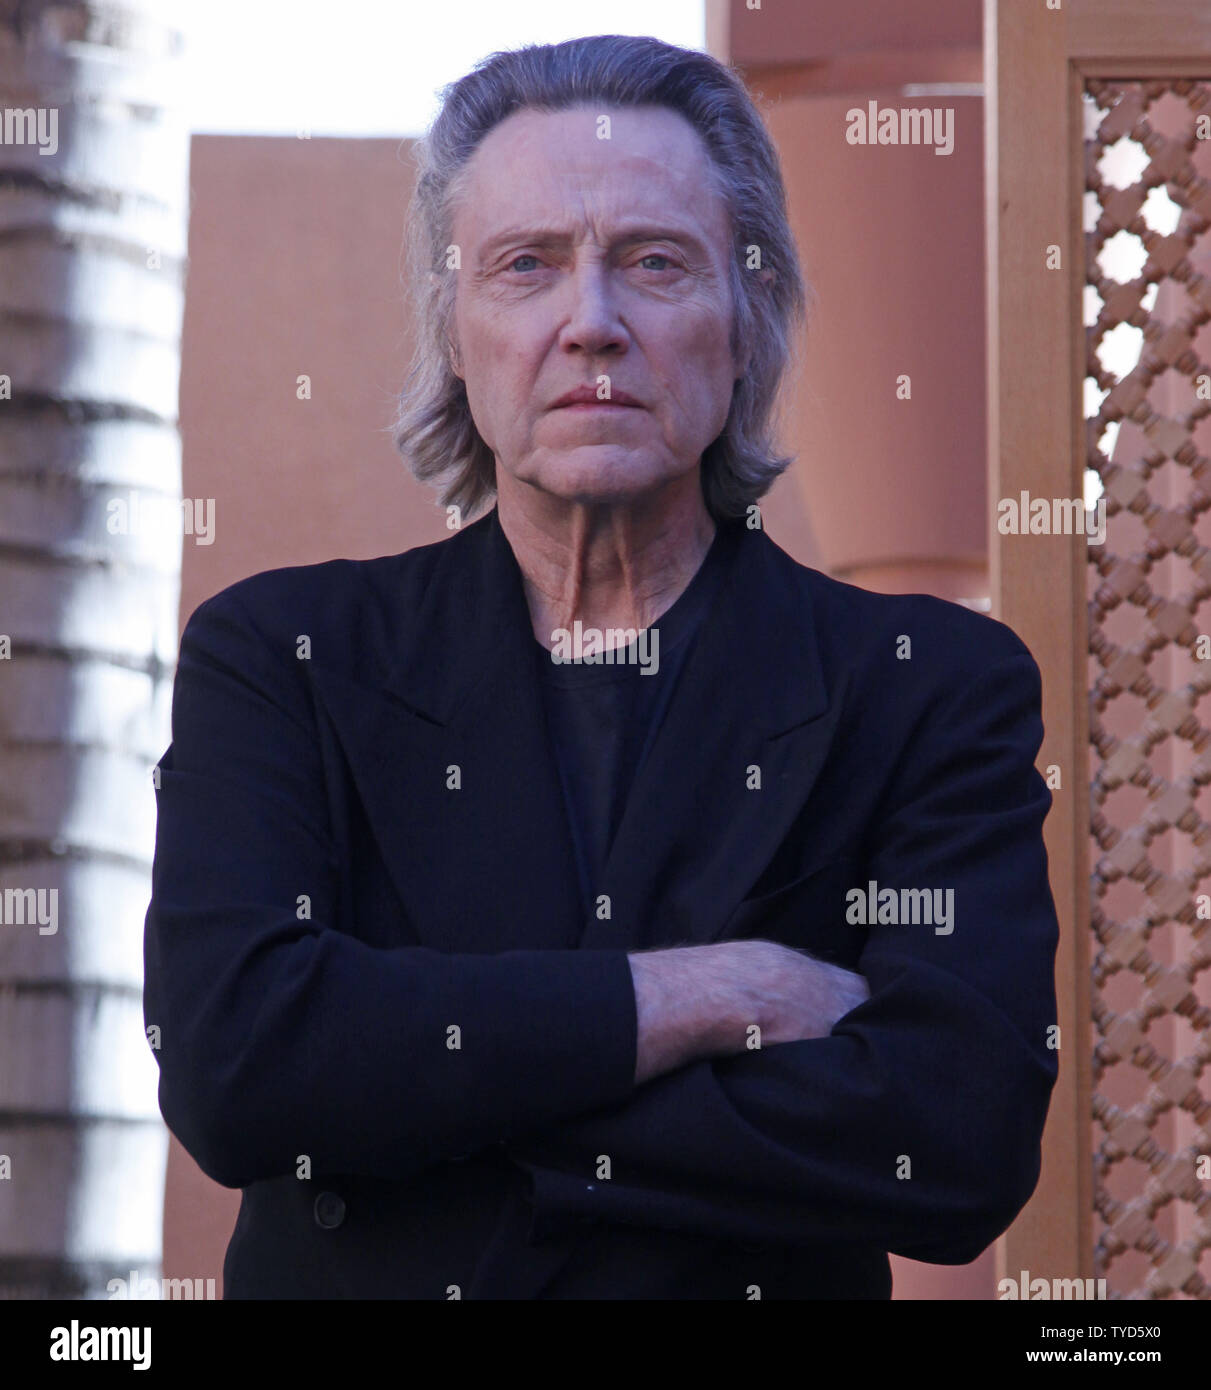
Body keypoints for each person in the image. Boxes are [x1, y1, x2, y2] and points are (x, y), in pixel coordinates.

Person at [143, 34, 1059, 1299]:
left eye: (654, 262)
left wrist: (423, 1094)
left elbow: (950, 1137)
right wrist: (702, 995)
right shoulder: (281, 657)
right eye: (526, 266)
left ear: (746, 319)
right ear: (454, 334)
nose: (591, 323)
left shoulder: (924, 686)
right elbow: (236, 1066)